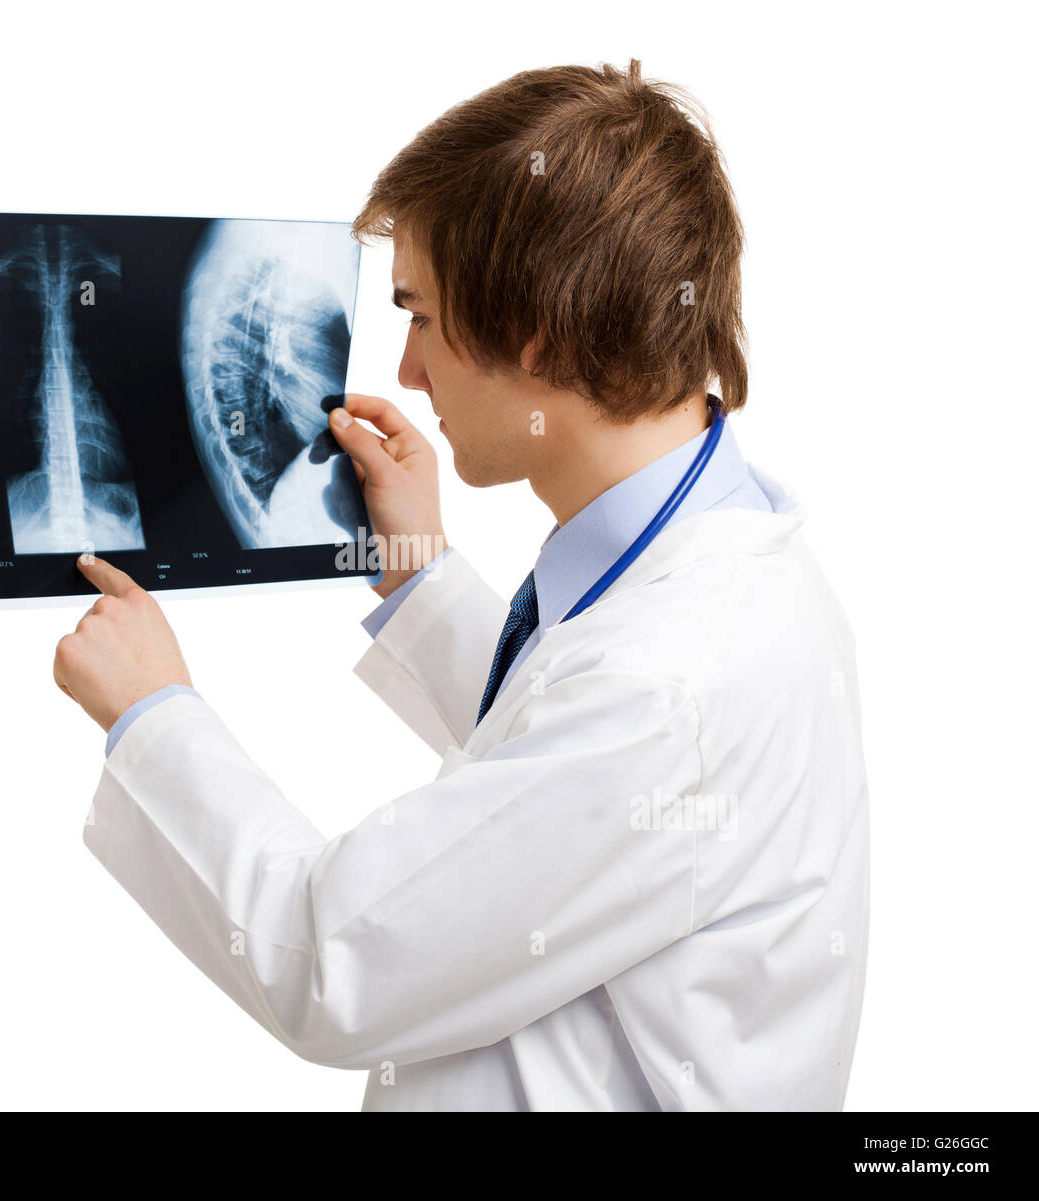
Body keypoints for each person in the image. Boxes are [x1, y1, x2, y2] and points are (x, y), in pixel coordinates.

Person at [52, 59, 869, 1111]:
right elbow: (561, 758)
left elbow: (330, 958)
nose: (406, 369)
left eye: (423, 316)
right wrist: (418, 575)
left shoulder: (664, 691)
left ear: (530, 328)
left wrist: (152, 715)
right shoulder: (735, 558)